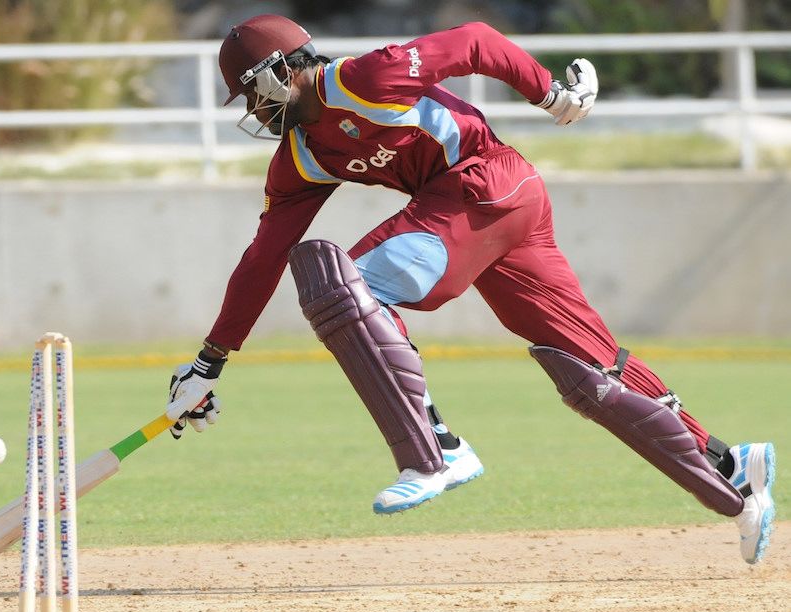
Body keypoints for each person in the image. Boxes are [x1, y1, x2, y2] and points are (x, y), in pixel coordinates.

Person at [165, 15, 776, 563]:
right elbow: (262, 257)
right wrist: (209, 362)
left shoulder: (360, 78)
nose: (251, 108)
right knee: (590, 372)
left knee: (345, 284)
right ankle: (732, 465)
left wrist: (550, 92)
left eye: (251, 91)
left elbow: (476, 42)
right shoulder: (300, 154)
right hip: (493, 205)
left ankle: (438, 446)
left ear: (282, 71)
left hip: (481, 183)